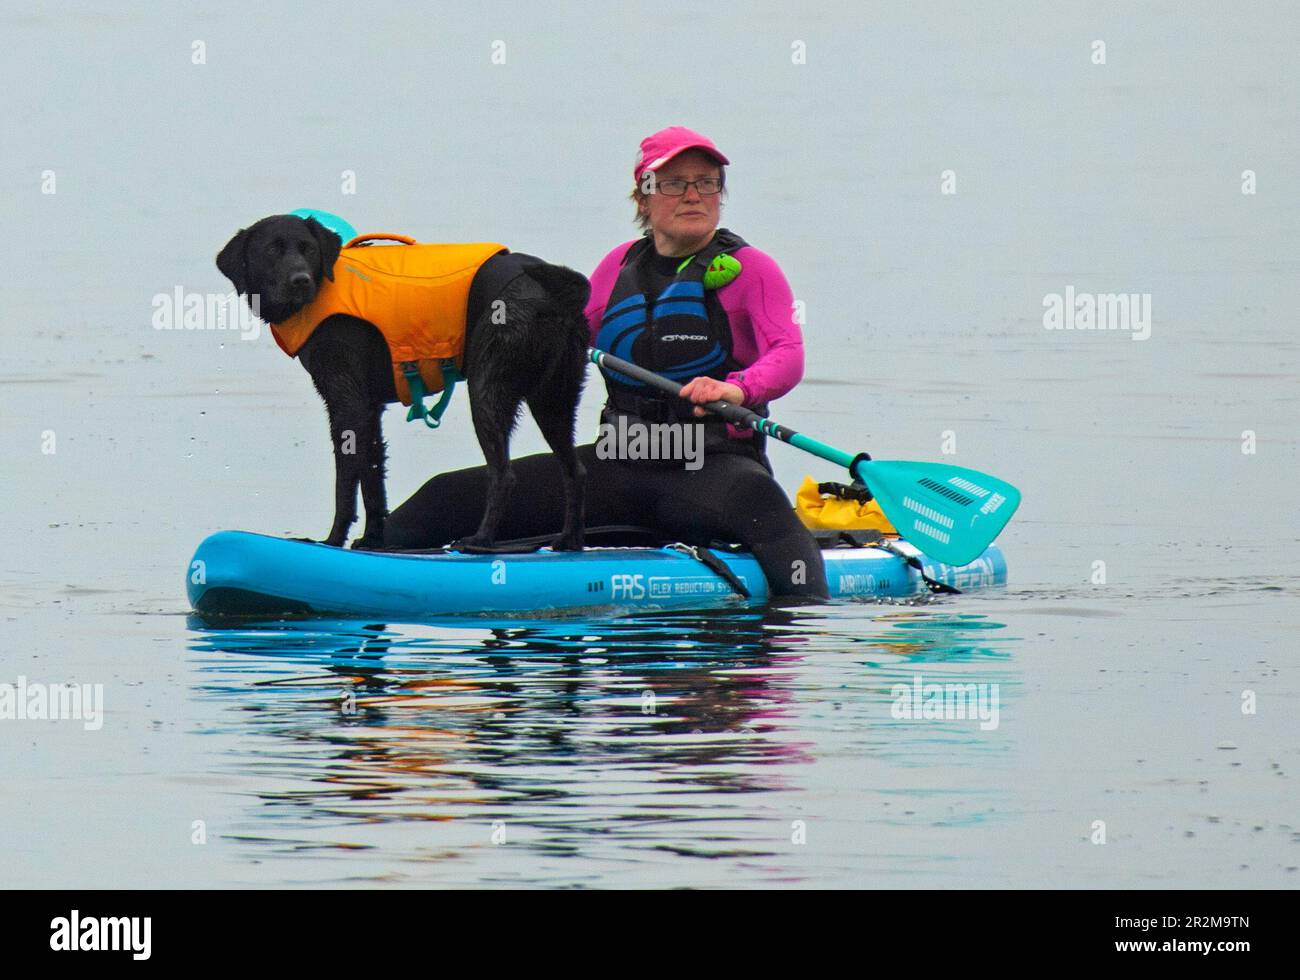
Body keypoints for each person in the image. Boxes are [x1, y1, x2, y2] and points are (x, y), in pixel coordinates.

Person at [385, 126, 828, 598]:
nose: (694, 195)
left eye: (707, 182)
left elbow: (787, 356)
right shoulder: (617, 268)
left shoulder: (753, 270)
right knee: (442, 498)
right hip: (617, 466)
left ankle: (801, 620)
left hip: (713, 469)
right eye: (674, 183)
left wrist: (736, 388)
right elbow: (563, 337)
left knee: (763, 506)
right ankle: (354, 562)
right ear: (643, 197)